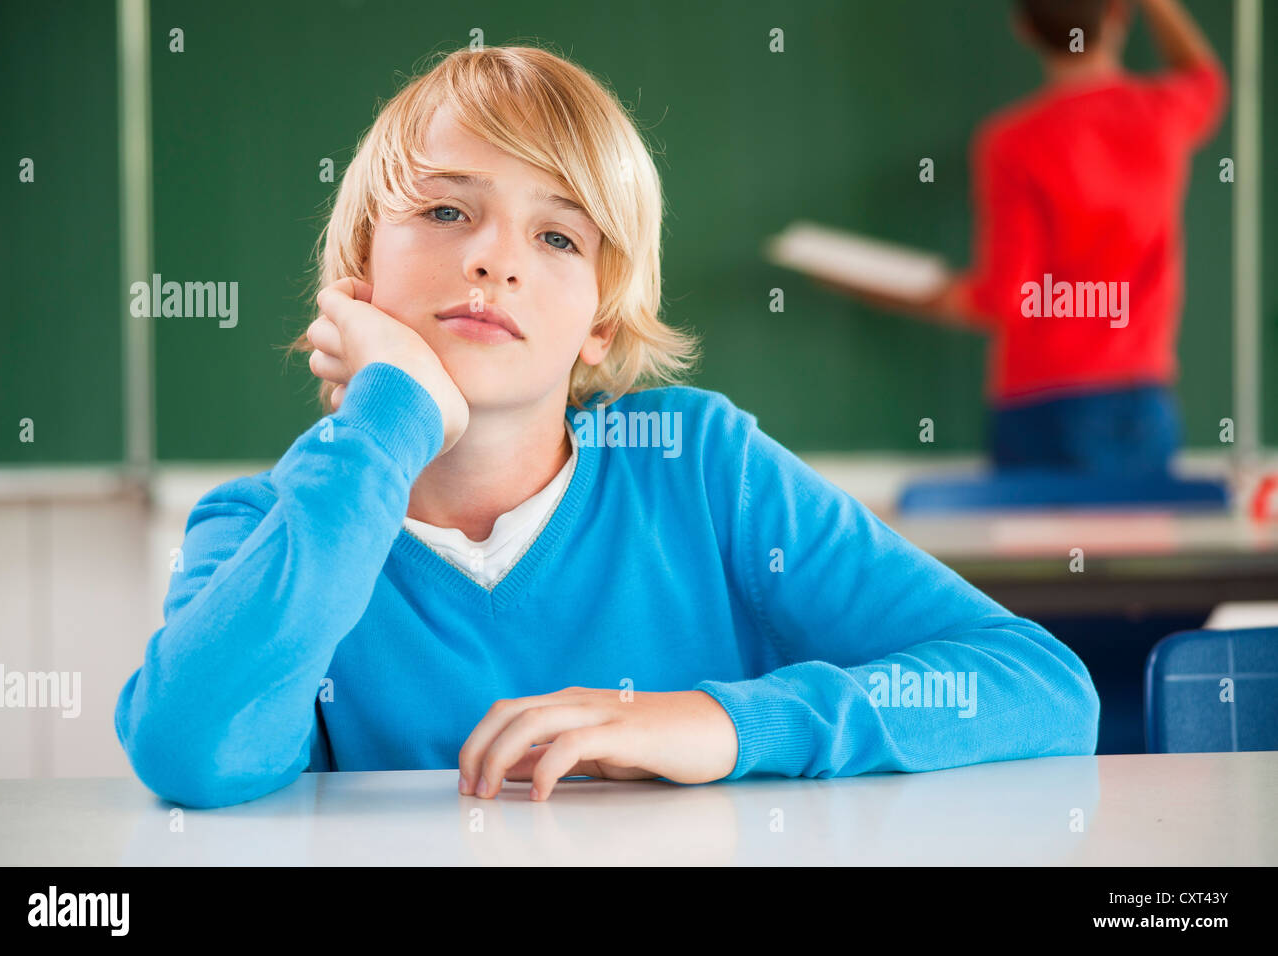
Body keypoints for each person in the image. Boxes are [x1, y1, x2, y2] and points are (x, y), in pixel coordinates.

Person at [114, 45, 1099, 809]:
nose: (495, 258)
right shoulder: (269, 523)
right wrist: (388, 421)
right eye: (448, 211)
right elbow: (188, 748)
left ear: (598, 324)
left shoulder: (701, 468)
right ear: (360, 270)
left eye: (556, 235)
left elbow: (1041, 683)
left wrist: (723, 721)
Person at [823, 0, 1228, 478]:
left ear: (1023, 29)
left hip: (1038, 404)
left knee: (1034, 556)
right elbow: (1205, 78)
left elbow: (1002, 299)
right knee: (1139, 552)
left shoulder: (1013, 144)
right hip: (1136, 403)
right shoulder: (1162, 115)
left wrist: (867, 286)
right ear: (1119, 15)